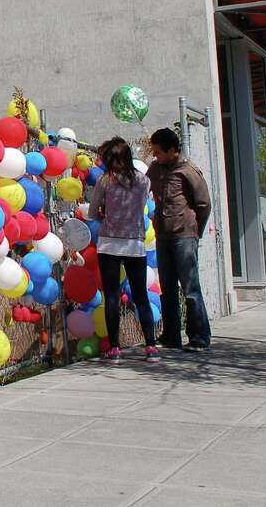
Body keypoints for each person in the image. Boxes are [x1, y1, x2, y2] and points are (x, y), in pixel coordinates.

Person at [87, 137, 159, 363]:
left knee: (111, 296)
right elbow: (141, 206)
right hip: (134, 243)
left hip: (109, 243)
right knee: (141, 296)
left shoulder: (105, 181)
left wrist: (106, 216)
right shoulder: (144, 181)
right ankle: (151, 346)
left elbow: (92, 212)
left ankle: (115, 349)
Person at [147, 127, 212, 351]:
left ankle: (199, 336)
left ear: (172, 150)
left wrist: (195, 230)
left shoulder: (188, 170)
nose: (155, 155)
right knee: (167, 288)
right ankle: (171, 335)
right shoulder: (155, 169)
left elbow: (204, 204)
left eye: (158, 152)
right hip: (163, 236)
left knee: (190, 288)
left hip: (184, 236)